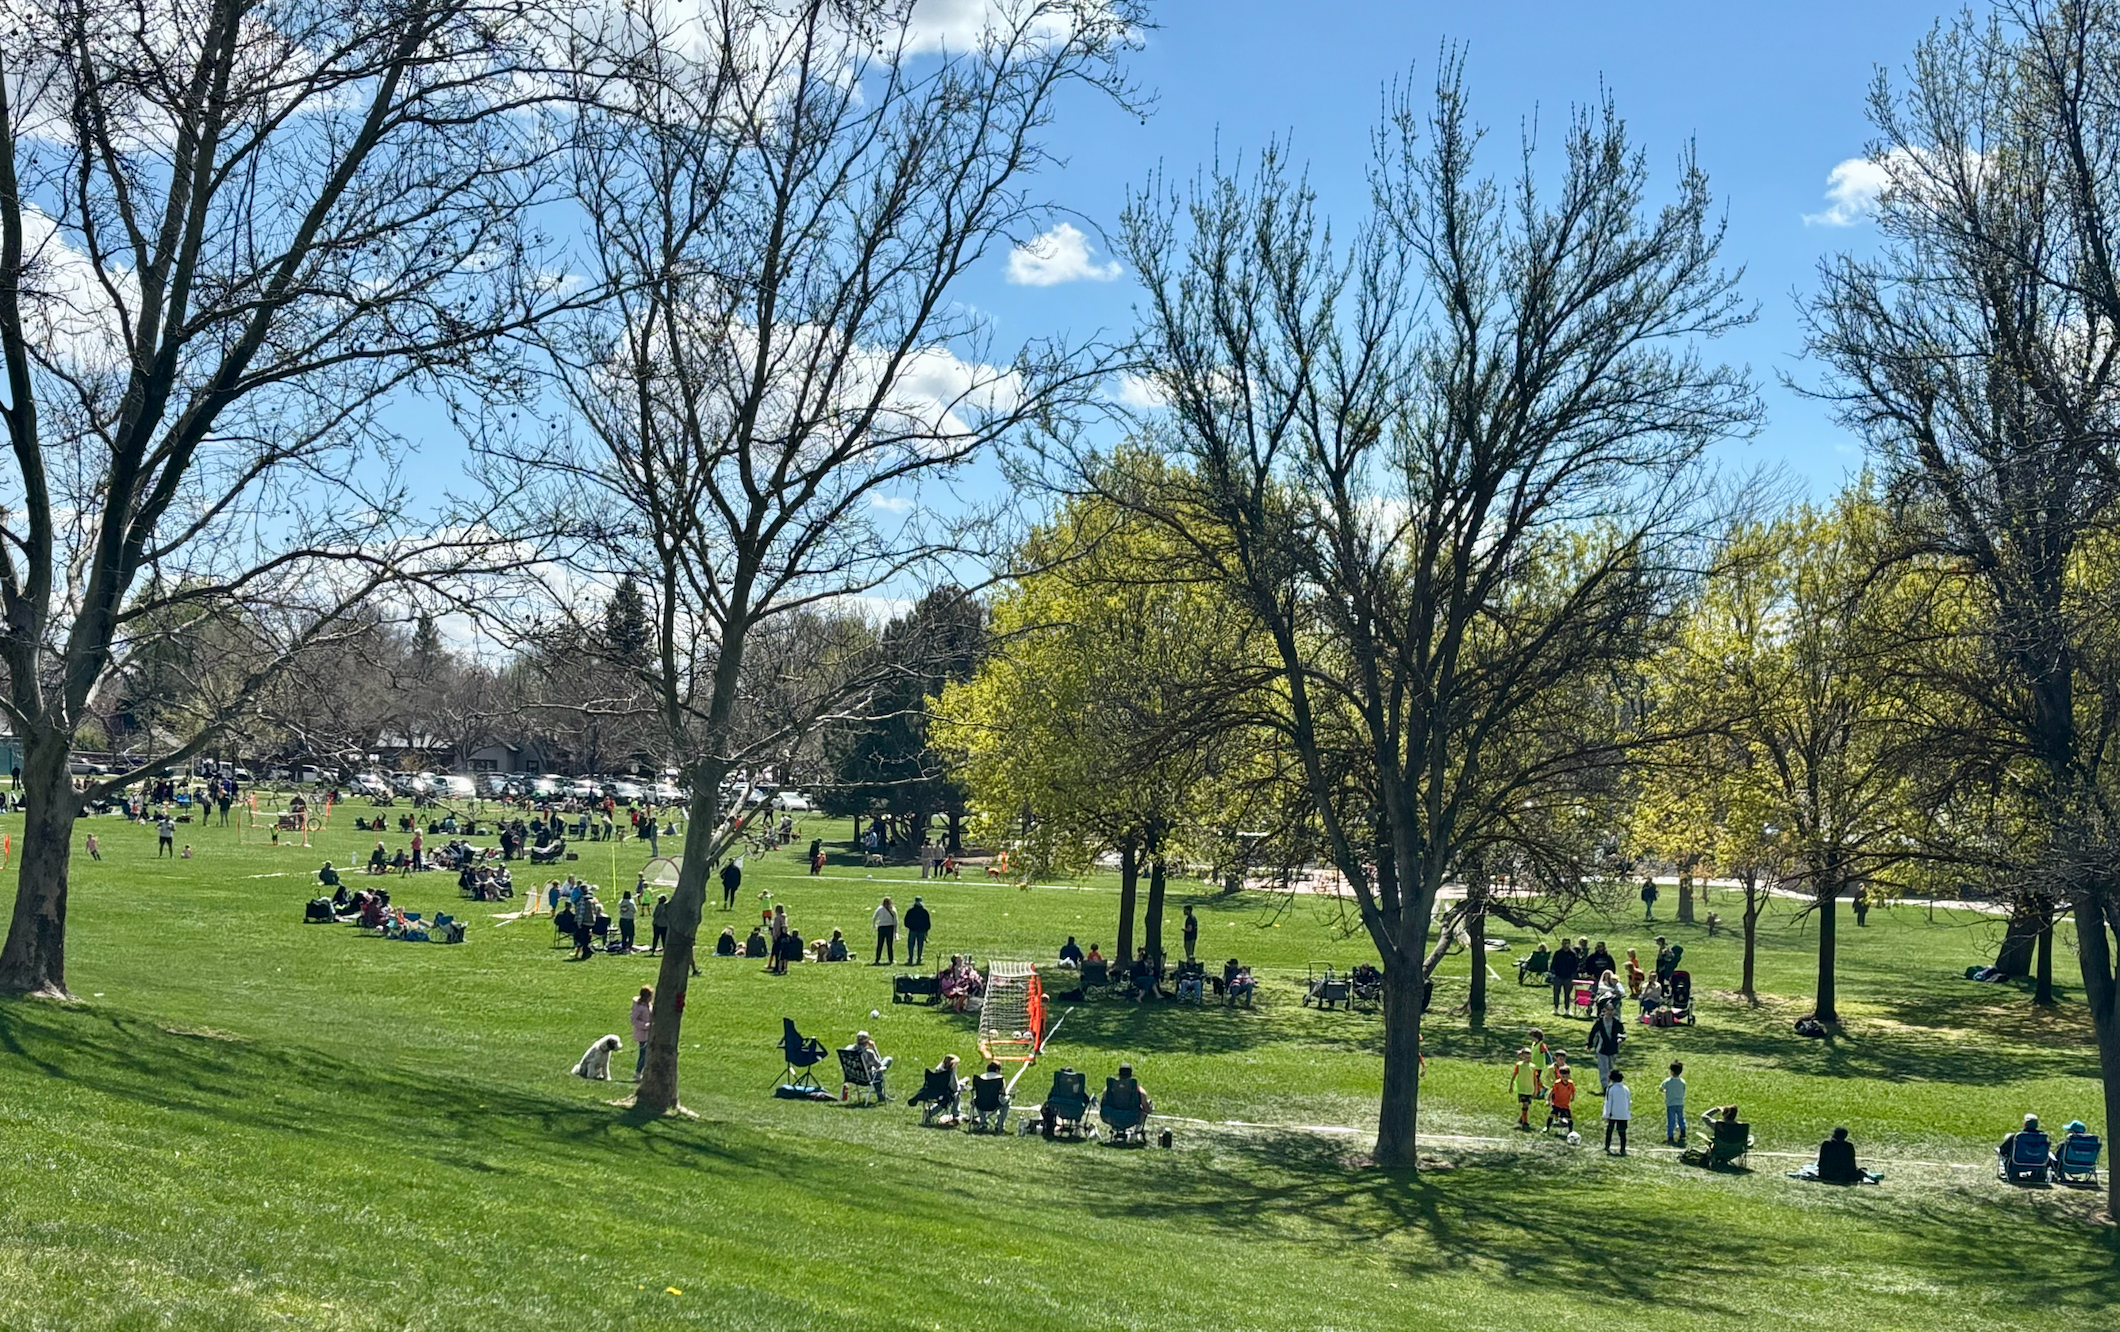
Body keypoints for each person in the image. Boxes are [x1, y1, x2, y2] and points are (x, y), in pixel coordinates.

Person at [1586, 1009, 1624, 1092]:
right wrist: (1589, 1044)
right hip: (1602, 1049)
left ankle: (1610, 1085)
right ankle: (1605, 1087)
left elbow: (1623, 1033)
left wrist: (1620, 1038)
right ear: (1604, 1011)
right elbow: (1592, 1033)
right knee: (1603, 1069)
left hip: (1613, 1048)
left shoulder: (1617, 1022)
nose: (1610, 1012)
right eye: (1608, 1010)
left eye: (1612, 1010)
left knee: (1610, 1068)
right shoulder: (1600, 1022)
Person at [919, 1053, 962, 1124]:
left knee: (955, 1093)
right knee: (956, 1094)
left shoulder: (938, 1070)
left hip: (934, 1092)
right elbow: (954, 1087)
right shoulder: (949, 1073)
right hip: (945, 1094)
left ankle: (931, 1112)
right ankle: (955, 1115)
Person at [1509, 1047, 1544, 1131]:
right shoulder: (1519, 1065)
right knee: (1525, 1104)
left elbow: (1535, 1079)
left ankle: (1522, 1118)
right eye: (1526, 1056)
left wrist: (1536, 1089)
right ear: (1522, 1056)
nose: (1527, 1058)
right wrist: (1511, 1086)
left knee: (1527, 1104)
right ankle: (1525, 1122)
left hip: (1529, 1089)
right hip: (1522, 1088)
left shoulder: (1533, 1067)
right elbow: (1514, 1075)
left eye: (1529, 1057)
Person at [855, 1030, 892, 1101]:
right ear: (867, 1041)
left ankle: (881, 1095)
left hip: (855, 1076)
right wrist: (874, 1048)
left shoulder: (850, 1050)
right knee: (882, 1067)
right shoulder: (869, 1053)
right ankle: (880, 1095)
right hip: (867, 1077)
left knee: (877, 1071)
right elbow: (878, 1065)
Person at [1548, 938, 1579, 1016]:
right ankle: (1556, 1009)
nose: (1565, 945)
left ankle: (1567, 1010)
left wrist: (1573, 975)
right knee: (1556, 993)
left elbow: (1575, 965)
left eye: (1567, 943)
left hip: (1568, 977)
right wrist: (1553, 973)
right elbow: (1553, 964)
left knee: (1567, 994)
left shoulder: (1572, 954)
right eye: (1564, 943)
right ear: (1562, 944)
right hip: (1558, 976)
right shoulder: (1558, 953)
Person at [1603, 1069, 1633, 1155]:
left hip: (1613, 1114)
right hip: (1623, 1114)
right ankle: (1623, 1149)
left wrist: (1606, 1114)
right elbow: (1628, 1101)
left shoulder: (1610, 1089)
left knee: (1610, 1130)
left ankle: (1607, 1145)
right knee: (1622, 1132)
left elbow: (1608, 1102)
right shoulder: (1626, 1088)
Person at [1661, 1061, 1688, 1145]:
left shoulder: (1668, 1081)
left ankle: (1670, 1136)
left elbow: (1661, 1088)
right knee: (1681, 1118)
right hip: (1680, 1103)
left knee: (1671, 1120)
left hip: (1671, 1103)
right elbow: (1684, 1090)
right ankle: (1683, 1131)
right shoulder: (1682, 1081)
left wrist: (1665, 1091)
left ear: (1671, 1071)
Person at [630, 987, 653, 1080]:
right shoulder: (639, 1007)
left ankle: (643, 1072)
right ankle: (638, 1073)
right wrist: (645, 1026)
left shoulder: (648, 1005)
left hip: (649, 1033)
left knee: (647, 1054)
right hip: (642, 1034)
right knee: (643, 1054)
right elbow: (633, 1020)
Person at [1547, 1061, 1577, 1133]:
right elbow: (1551, 1092)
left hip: (1565, 1104)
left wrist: (1573, 1097)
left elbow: (1573, 1091)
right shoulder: (1557, 1083)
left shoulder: (1570, 1083)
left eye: (1566, 1076)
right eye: (1563, 1076)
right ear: (1560, 1075)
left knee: (1569, 1118)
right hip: (1557, 1103)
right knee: (1552, 1114)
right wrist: (1548, 1100)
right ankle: (1547, 1128)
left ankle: (1571, 1131)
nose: (1565, 1078)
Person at [902, 895, 931, 966]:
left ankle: (911, 958)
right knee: (920, 945)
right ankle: (919, 958)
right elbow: (927, 922)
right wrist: (926, 930)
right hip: (920, 931)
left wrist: (910, 926)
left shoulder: (911, 911)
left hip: (913, 930)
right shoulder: (924, 911)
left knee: (911, 945)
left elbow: (906, 921)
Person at [872, 895, 897, 965]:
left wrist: (875, 926)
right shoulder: (893, 909)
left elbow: (874, 918)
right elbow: (895, 920)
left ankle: (877, 959)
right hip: (890, 927)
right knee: (889, 945)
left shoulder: (880, 908)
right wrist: (896, 930)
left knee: (880, 944)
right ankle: (891, 959)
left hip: (881, 927)